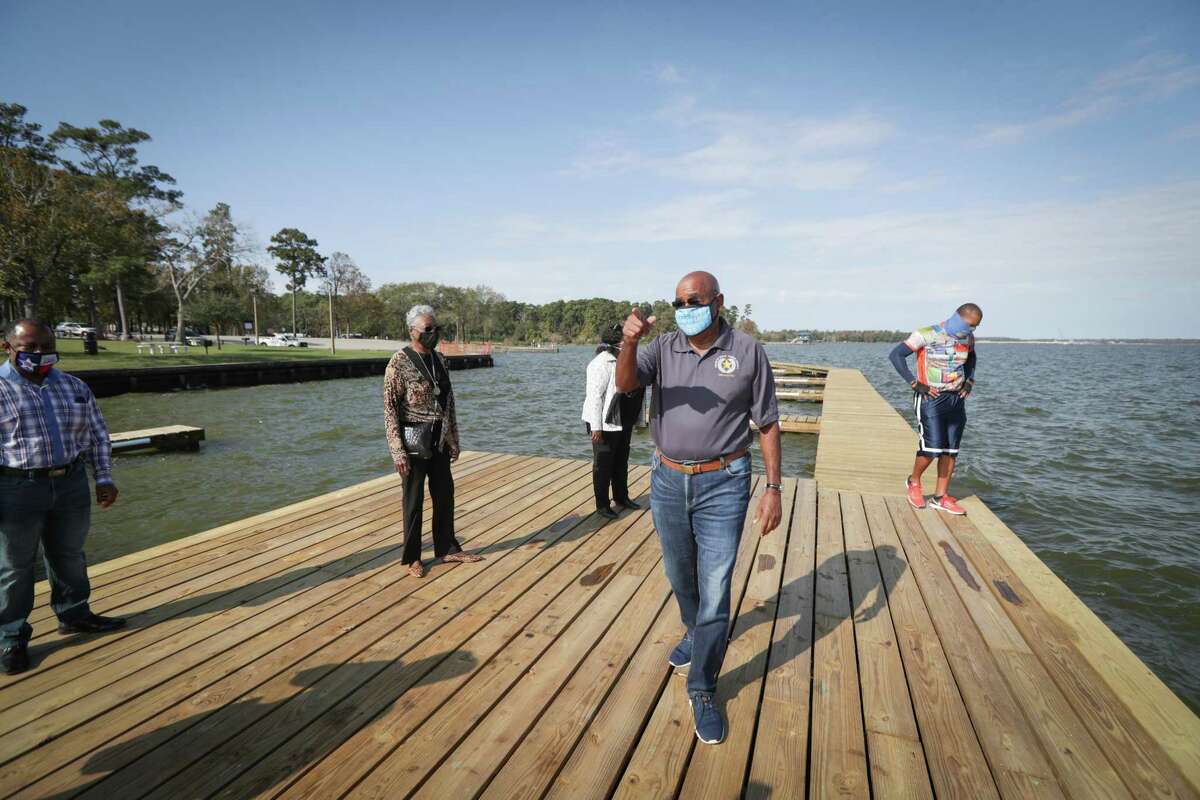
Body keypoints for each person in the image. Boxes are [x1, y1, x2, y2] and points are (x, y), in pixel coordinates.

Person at [615, 272, 782, 745]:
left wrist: (773, 489)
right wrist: (628, 343)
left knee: (715, 584)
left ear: (718, 301)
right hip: (667, 478)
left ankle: (703, 686)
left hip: (725, 482)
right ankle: (695, 631)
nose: (686, 307)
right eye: (679, 301)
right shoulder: (664, 347)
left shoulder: (748, 351)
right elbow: (627, 384)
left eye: (694, 300)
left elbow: (767, 423)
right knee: (679, 575)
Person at [0, 319, 125, 676]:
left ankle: (74, 613)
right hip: (15, 486)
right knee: (14, 566)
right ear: (7, 347)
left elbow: (97, 436)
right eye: (29, 347)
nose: (39, 353)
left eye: (45, 345)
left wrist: (103, 477)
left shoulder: (73, 386)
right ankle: (11, 635)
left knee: (69, 553)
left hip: (69, 482)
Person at [383, 305, 482, 579]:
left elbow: (449, 402)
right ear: (412, 331)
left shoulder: (440, 359)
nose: (434, 333)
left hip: (439, 441)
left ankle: (447, 547)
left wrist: (453, 438)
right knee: (413, 501)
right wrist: (397, 452)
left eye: (436, 328)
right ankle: (413, 557)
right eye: (428, 329)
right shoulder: (398, 362)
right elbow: (390, 409)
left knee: (445, 495)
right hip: (413, 443)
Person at [888, 303, 983, 515]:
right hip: (930, 397)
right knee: (931, 448)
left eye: (975, 327)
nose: (971, 331)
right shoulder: (926, 334)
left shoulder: (967, 338)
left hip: (956, 398)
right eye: (970, 326)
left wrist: (970, 381)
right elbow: (896, 355)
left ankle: (940, 497)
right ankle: (914, 482)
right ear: (958, 317)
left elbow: (972, 357)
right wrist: (914, 383)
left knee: (950, 451)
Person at [581, 325, 646, 519]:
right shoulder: (600, 363)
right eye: (624, 341)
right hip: (602, 422)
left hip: (622, 419)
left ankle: (621, 497)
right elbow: (595, 398)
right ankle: (602, 505)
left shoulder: (628, 361)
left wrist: (638, 421)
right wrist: (596, 427)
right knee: (603, 464)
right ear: (617, 343)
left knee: (621, 460)